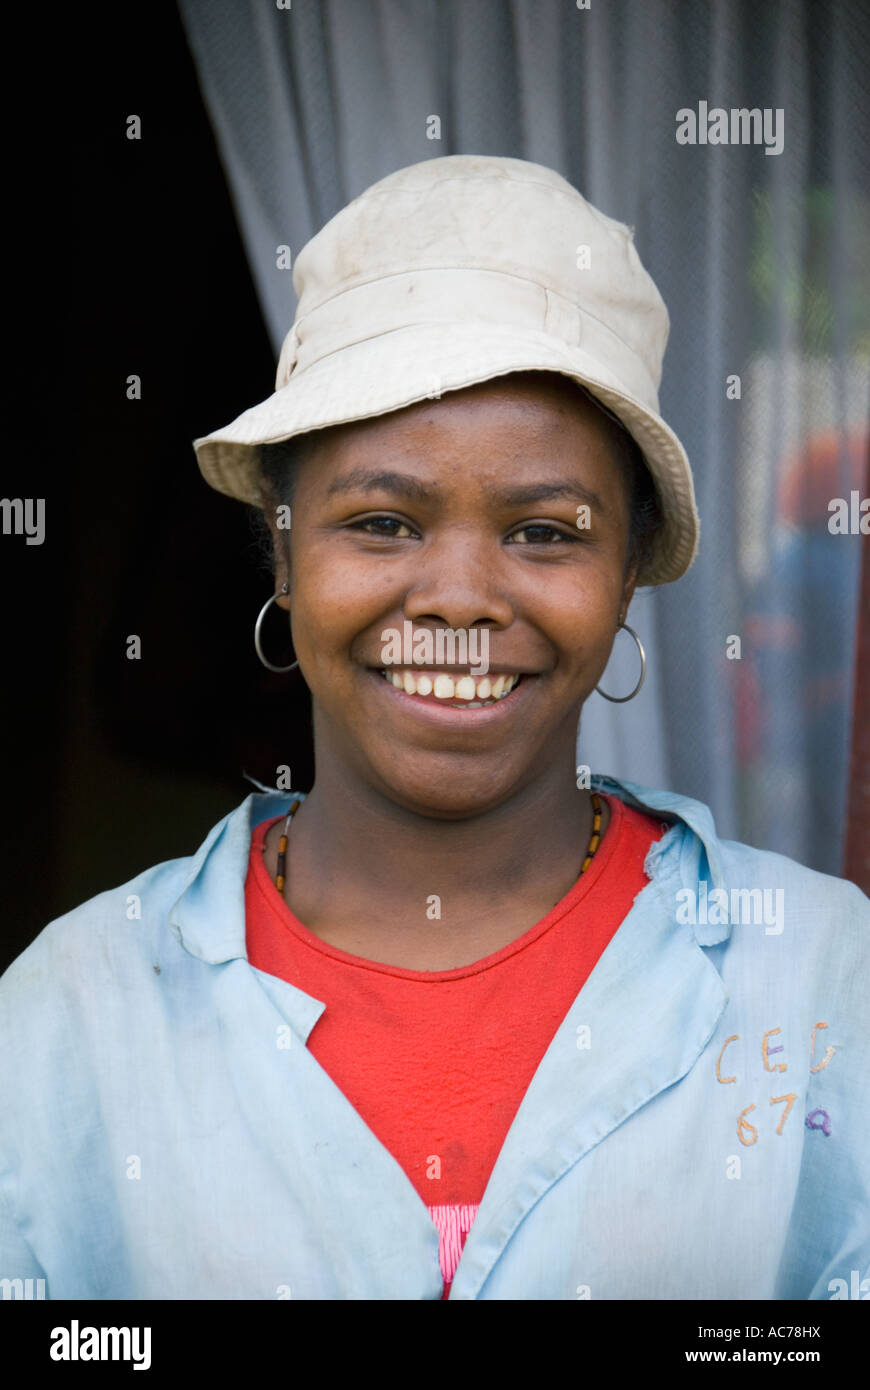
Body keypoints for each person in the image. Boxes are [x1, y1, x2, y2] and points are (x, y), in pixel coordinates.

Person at [1, 155, 867, 1302]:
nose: (459, 595)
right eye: (383, 521)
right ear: (284, 551)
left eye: (547, 532)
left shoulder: (819, 977)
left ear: (627, 576)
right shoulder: (68, 1013)